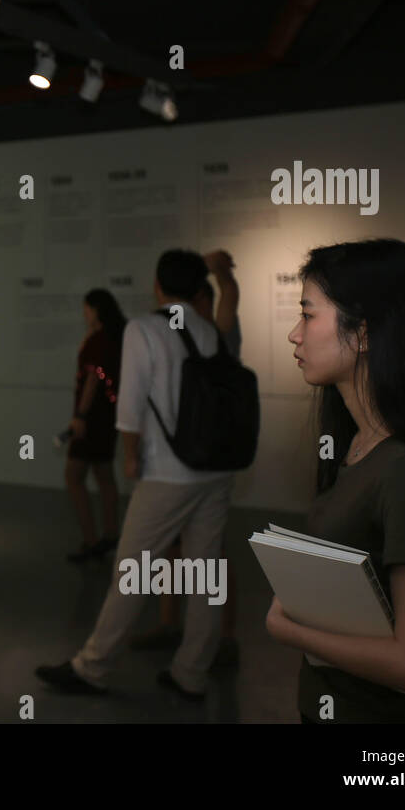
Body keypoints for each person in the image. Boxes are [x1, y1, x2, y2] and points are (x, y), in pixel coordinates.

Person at [270, 239, 405, 723]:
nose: (294, 335)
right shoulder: (357, 443)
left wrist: (289, 626)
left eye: (308, 315)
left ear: (363, 333)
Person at [36, 249, 241, 701]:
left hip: (168, 472)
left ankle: (93, 667)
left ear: (157, 285)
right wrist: (224, 276)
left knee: (131, 571)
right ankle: (192, 672)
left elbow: (128, 406)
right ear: (196, 288)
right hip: (216, 470)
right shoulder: (211, 330)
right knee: (204, 571)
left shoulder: (146, 329)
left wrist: (131, 459)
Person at [132, 250, 241, 666]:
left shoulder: (217, 334)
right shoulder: (191, 332)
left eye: (199, 303)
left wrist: (220, 273)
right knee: (179, 551)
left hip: (203, 457)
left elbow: (230, 297)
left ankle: (222, 635)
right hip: (187, 458)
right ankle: (171, 626)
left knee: (211, 555)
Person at [65, 289, 127, 563]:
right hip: (107, 417)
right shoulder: (112, 339)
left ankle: (91, 540)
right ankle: (111, 535)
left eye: (86, 309)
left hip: (92, 419)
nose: (84, 314)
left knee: (74, 475)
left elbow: (93, 379)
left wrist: (80, 415)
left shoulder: (98, 341)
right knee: (104, 475)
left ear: (97, 310)